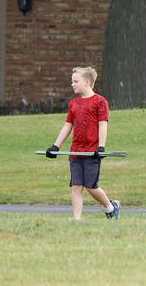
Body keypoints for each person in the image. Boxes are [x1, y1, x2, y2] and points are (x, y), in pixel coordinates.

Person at [45, 67, 121, 221]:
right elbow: (68, 126)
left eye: (75, 81)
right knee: (76, 186)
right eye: (72, 81)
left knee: (91, 186)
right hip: (76, 152)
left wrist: (101, 147)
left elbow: (102, 125)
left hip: (92, 152)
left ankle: (111, 207)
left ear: (87, 82)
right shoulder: (74, 103)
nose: (72, 84)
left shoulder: (100, 102)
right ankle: (77, 220)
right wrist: (55, 146)